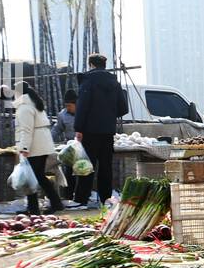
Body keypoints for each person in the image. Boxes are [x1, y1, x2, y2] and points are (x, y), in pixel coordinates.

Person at [73, 53, 127, 208]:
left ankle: (82, 198)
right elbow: (123, 107)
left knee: (86, 164)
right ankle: (105, 199)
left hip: (90, 130)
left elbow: (82, 106)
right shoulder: (114, 82)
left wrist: (79, 128)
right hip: (108, 131)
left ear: (91, 64)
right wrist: (109, 115)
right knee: (105, 166)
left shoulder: (88, 81)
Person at [14, 85, 63, 214]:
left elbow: (26, 129)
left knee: (32, 177)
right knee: (38, 176)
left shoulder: (24, 107)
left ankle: (34, 208)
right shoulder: (34, 103)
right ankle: (54, 203)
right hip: (42, 144)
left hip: (35, 146)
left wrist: (24, 148)